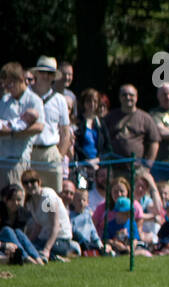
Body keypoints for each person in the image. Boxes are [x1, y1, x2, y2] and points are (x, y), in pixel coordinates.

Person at [29, 55, 71, 190]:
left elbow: (65, 132)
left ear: (54, 76)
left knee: (51, 201)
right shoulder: (26, 96)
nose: (45, 76)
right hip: (28, 151)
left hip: (51, 152)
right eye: (42, 72)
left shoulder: (60, 100)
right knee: (26, 198)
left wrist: (60, 156)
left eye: (50, 73)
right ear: (36, 73)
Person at [0, 61, 45, 186]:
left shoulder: (34, 101)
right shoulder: (4, 100)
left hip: (18, 159)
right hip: (2, 156)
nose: (8, 88)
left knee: (15, 197)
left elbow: (39, 127)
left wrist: (12, 133)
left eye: (10, 84)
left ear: (20, 79)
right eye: (5, 85)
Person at [103, 83, 160, 174]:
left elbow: (154, 142)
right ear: (119, 97)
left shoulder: (145, 118)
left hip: (137, 169)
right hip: (113, 169)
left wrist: (148, 166)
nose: (128, 97)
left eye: (131, 95)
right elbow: (101, 140)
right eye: (124, 95)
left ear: (136, 97)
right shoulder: (110, 117)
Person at [20, 170, 75, 260]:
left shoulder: (47, 198)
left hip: (60, 239)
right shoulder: (30, 202)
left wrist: (47, 249)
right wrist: (27, 243)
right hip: (44, 238)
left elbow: (55, 226)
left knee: (37, 251)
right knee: (28, 249)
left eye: (32, 182)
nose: (29, 185)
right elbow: (38, 226)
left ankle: (57, 254)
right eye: (26, 183)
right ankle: (54, 257)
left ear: (39, 182)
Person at [0, 183, 44, 263]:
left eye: (18, 200)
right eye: (12, 200)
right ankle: (26, 257)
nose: (16, 203)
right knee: (7, 230)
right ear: (5, 199)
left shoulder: (22, 213)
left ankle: (37, 257)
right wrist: (4, 245)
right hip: (3, 243)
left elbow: (22, 237)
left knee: (19, 232)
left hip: (14, 246)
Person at [73, 87, 105, 187]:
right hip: (82, 166)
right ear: (84, 103)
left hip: (98, 166)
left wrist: (99, 159)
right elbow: (76, 144)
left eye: (95, 101)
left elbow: (108, 146)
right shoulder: (78, 121)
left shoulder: (101, 123)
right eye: (89, 101)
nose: (92, 104)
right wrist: (87, 161)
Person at [68, 186, 105, 255]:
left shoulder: (87, 215)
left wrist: (98, 241)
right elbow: (71, 231)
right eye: (78, 200)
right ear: (73, 201)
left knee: (94, 246)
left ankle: (99, 250)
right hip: (78, 242)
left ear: (87, 202)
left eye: (83, 200)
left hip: (87, 241)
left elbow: (93, 230)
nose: (81, 203)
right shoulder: (71, 216)